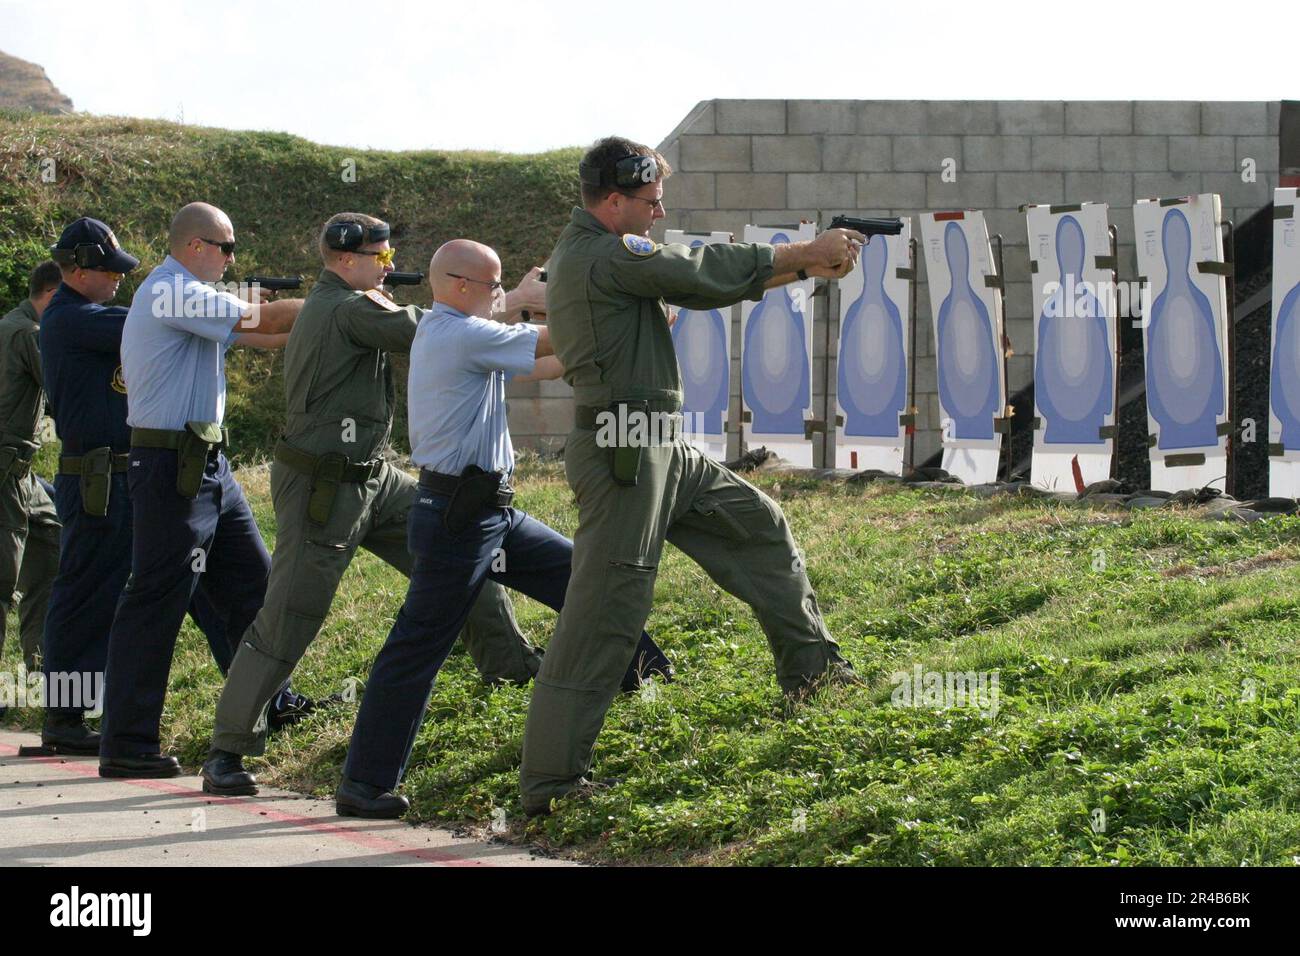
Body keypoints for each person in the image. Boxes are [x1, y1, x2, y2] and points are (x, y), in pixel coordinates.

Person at [518, 137, 864, 816]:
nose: (659, 211)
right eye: (650, 201)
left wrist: (806, 269)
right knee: (605, 611)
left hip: (657, 444)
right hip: (626, 449)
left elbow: (698, 287)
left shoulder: (605, 249)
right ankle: (551, 783)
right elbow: (698, 271)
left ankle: (812, 674)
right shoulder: (605, 252)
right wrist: (801, 251)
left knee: (760, 529)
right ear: (613, 201)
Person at [202, 212, 555, 795]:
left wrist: (502, 301)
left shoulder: (352, 300)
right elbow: (431, 329)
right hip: (324, 486)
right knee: (292, 613)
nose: (391, 268)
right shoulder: (346, 306)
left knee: (459, 561)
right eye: (381, 259)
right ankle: (228, 750)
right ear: (344, 260)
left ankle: (513, 671)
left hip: (371, 475)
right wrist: (514, 298)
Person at [335, 239, 672, 818]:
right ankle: (363, 784)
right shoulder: (459, 334)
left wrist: (597, 326)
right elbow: (550, 340)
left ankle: (649, 678)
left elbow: (550, 361)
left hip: (487, 511)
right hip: (458, 517)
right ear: (461, 286)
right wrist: (620, 312)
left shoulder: (462, 334)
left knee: (586, 580)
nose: (499, 295)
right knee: (417, 648)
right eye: (492, 286)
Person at [38, 217, 278, 755]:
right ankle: (67, 717)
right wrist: (229, 304)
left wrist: (225, 304)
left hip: (138, 468)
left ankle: (265, 699)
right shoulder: (75, 319)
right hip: (101, 475)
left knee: (209, 589)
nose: (117, 278)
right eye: (105, 270)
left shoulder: (103, 312)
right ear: (75, 272)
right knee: (89, 596)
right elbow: (158, 318)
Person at [96, 203, 303, 778]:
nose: (232, 257)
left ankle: (272, 707)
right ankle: (127, 743)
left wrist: (304, 317)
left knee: (252, 585)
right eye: (225, 246)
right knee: (157, 599)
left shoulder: (187, 294)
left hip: (207, 462)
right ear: (193, 246)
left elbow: (263, 334)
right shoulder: (170, 290)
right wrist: (336, 305)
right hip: (170, 464)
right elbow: (260, 322)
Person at [0, 260, 62, 700]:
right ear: (53, 295)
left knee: (54, 545)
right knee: (3, 580)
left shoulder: (16, 324)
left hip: (23, 473)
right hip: (6, 472)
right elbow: (64, 386)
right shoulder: (28, 334)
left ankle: (40, 675)